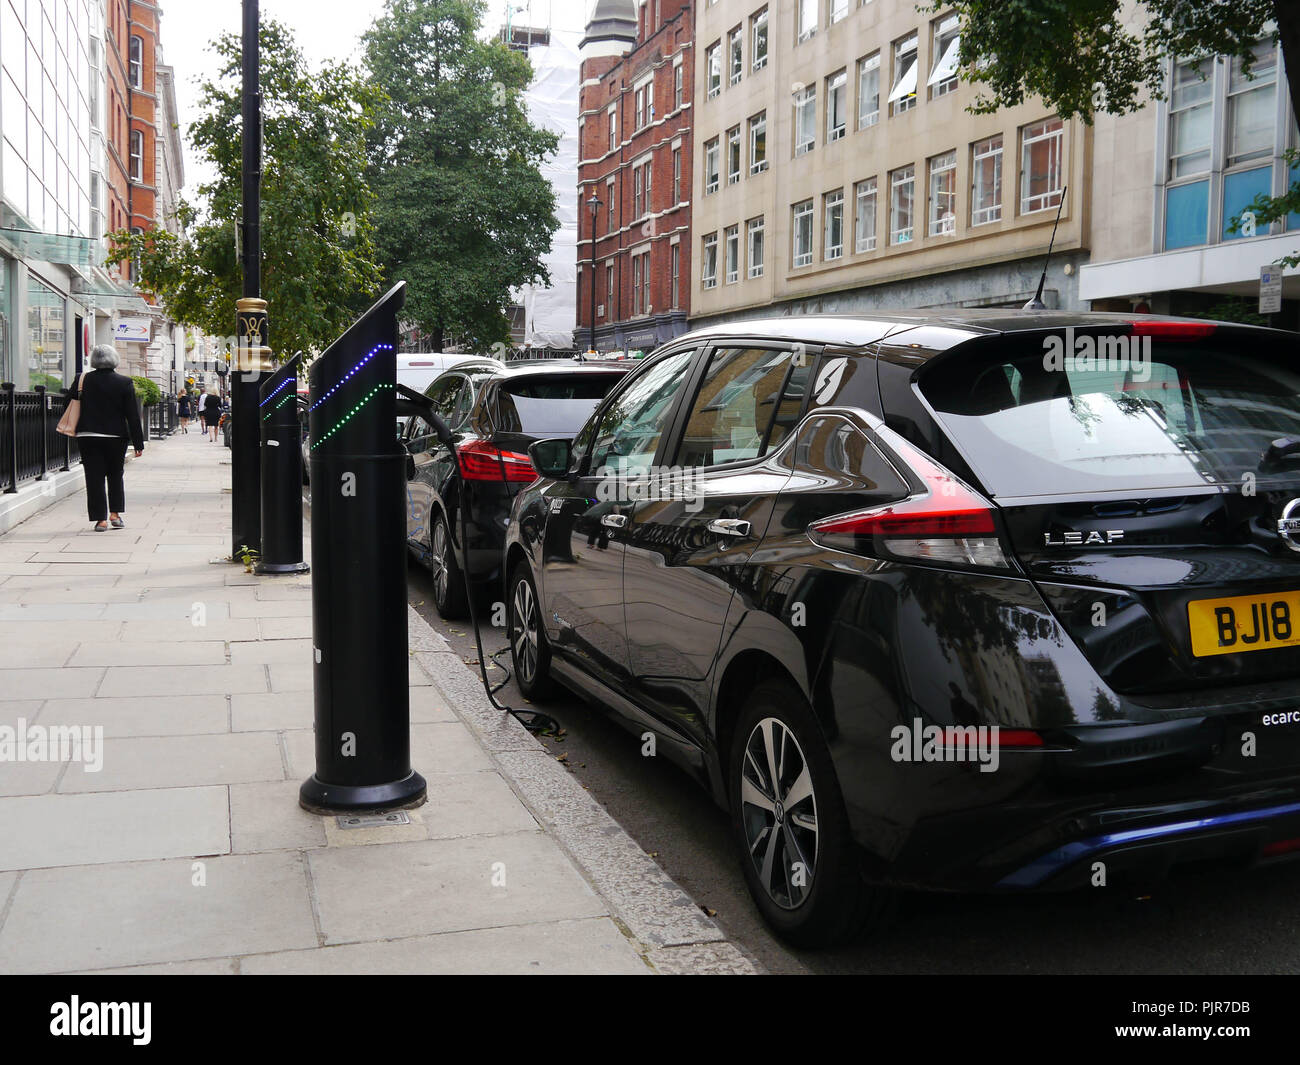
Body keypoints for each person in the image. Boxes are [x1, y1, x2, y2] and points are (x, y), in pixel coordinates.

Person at [74, 344, 144, 532]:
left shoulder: (82, 380)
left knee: (93, 477)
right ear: (115, 360)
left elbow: (69, 404)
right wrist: (138, 442)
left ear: (94, 360)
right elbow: (132, 415)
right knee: (115, 474)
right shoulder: (124, 382)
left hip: (88, 435)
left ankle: (100, 520)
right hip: (115, 436)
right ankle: (115, 514)